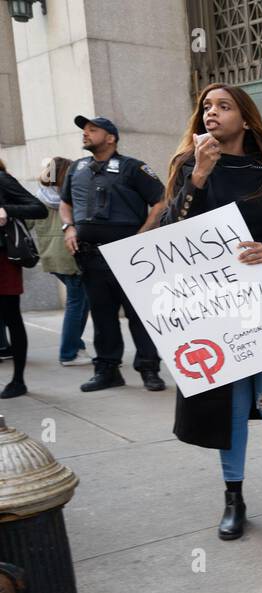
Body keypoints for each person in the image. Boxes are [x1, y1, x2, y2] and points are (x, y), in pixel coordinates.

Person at [162, 83, 262, 541]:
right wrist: (198, 177)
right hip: (214, 307)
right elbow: (169, 233)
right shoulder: (189, 169)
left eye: (223, 106)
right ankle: (234, 498)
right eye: (206, 107)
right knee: (226, 404)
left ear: (246, 119)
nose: (212, 113)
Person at [59, 115, 167, 392]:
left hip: (128, 256)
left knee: (139, 316)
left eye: (92, 130)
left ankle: (149, 369)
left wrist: (142, 235)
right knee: (103, 316)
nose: (85, 134)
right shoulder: (77, 168)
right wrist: (68, 228)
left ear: (110, 137)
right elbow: (65, 203)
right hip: (91, 257)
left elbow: (160, 201)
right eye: (84, 130)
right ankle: (107, 370)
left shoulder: (133, 168)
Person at [30, 157, 90, 367]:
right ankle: (68, 353)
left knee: (81, 302)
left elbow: (27, 223)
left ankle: (76, 345)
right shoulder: (70, 198)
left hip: (51, 257)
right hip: (70, 256)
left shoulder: (38, 198)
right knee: (77, 304)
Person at [0, 160, 47, 398]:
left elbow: (39, 208)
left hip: (3, 262)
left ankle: (18, 380)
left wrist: (7, 210)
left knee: (11, 318)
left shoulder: (2, 179)